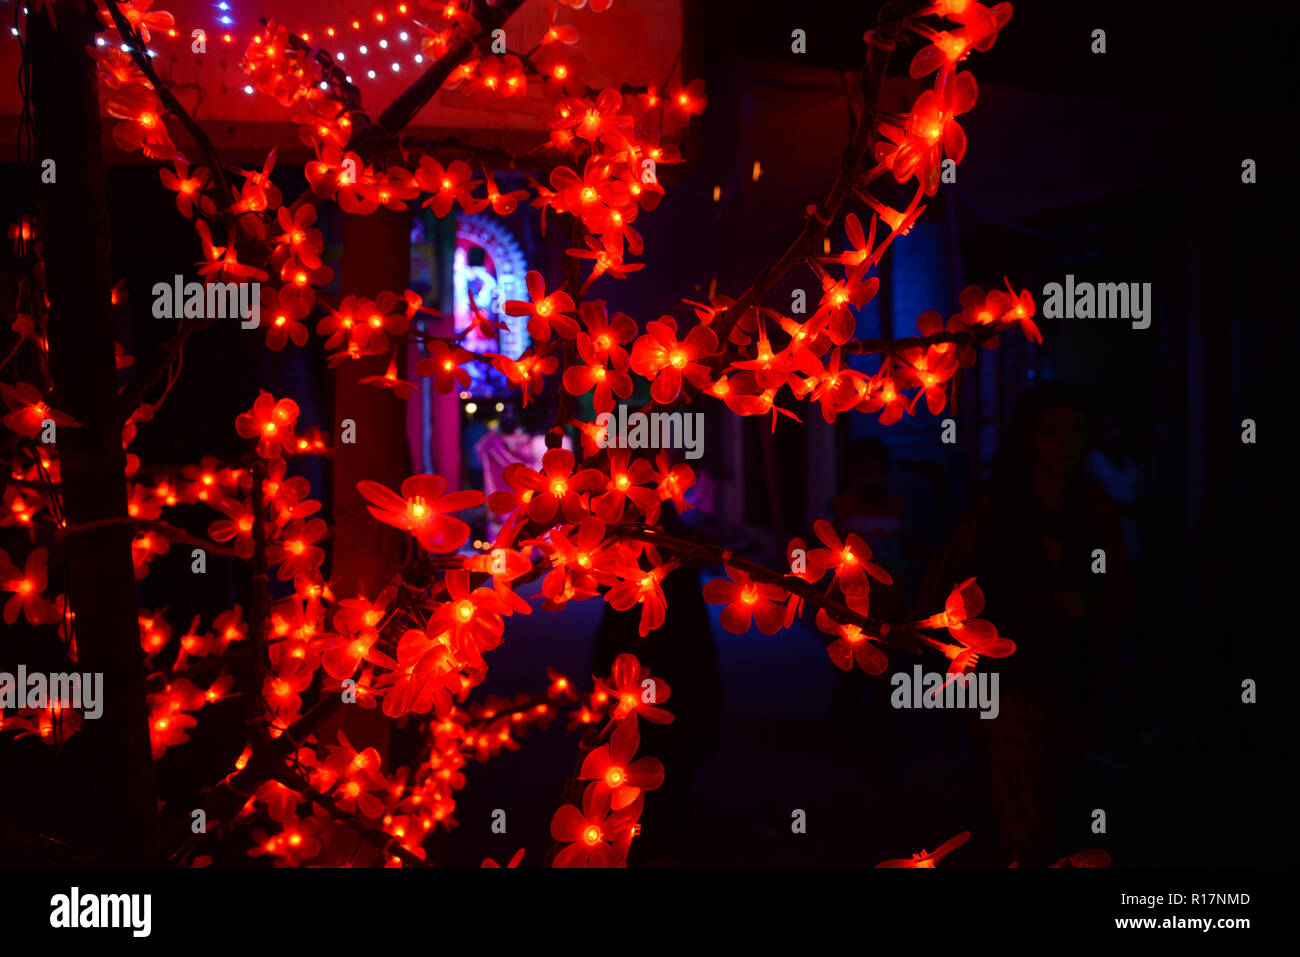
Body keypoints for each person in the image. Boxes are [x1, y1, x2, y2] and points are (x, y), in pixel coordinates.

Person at [925, 381, 1132, 866]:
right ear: (1029, 439)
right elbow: (949, 574)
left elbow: (1121, 585)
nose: (1064, 445)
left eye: (1075, 432)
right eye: (1051, 432)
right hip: (1007, 682)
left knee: (1051, 796)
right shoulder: (997, 509)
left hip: (1072, 678)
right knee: (1020, 816)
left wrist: (1091, 606)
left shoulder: (1095, 508)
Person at [828, 438, 907, 763]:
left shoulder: (898, 506)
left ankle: (880, 744)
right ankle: (843, 739)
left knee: (885, 683)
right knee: (848, 680)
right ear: (853, 474)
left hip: (892, 608)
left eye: (878, 471)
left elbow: (906, 548)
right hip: (850, 611)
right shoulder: (839, 507)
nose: (873, 478)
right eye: (865, 472)